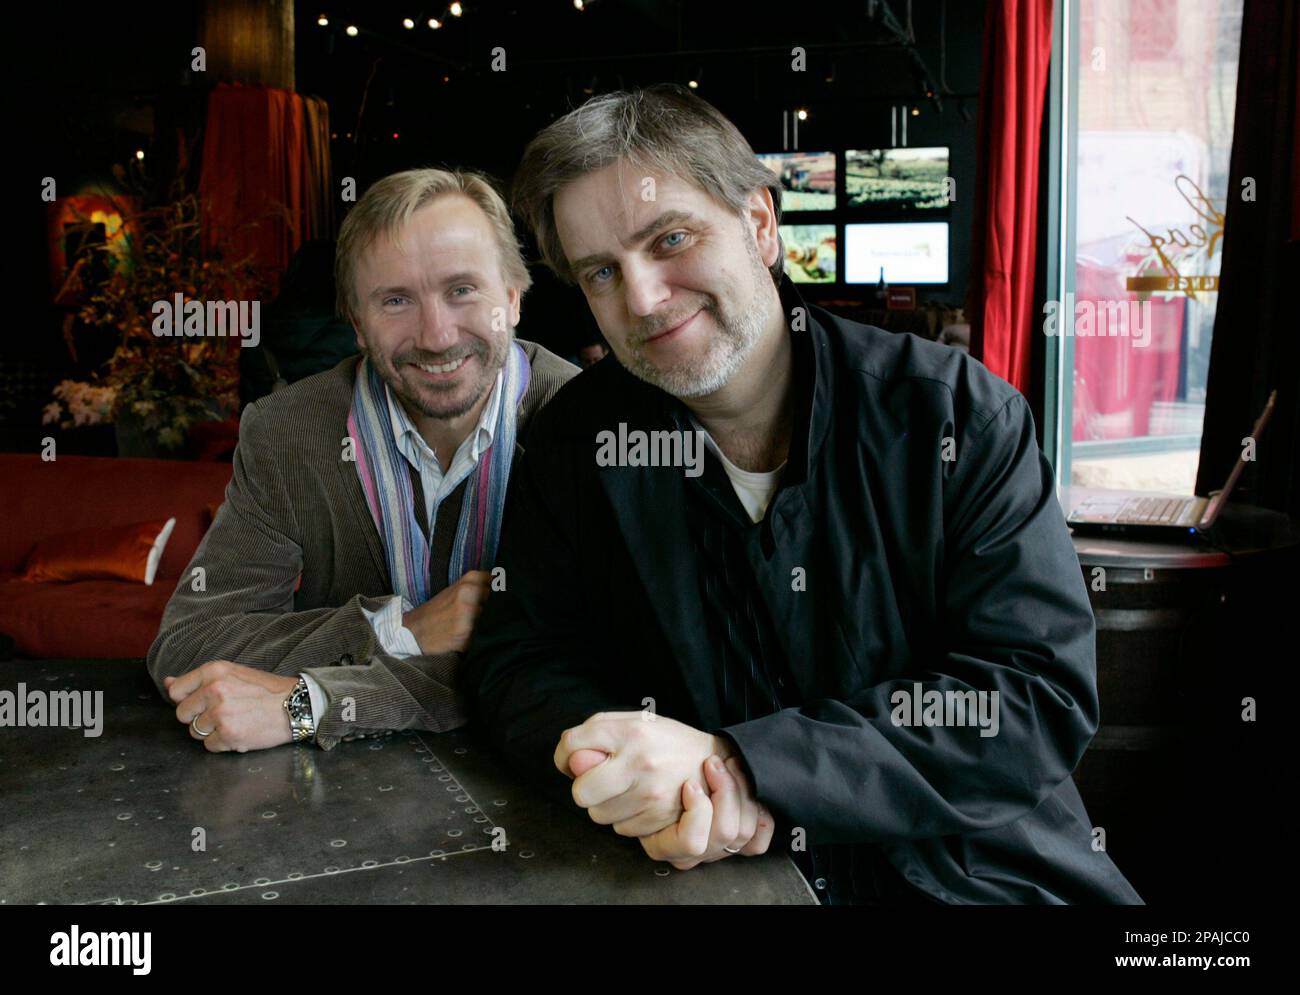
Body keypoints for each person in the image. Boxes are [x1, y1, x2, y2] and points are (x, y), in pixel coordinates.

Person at [464, 85, 1143, 904]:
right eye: (602, 272)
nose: (641, 299)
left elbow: (1030, 697)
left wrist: (750, 768)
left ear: (760, 224)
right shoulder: (577, 441)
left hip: (974, 878)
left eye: (671, 238)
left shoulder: (953, 413)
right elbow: (520, 660)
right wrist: (621, 765)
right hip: (710, 882)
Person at [147, 168, 576, 753]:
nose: (436, 335)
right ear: (355, 324)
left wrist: (313, 703)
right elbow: (190, 641)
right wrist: (399, 629)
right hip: (334, 797)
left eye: (462, 290)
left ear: (512, 298)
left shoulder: (584, 423)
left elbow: (586, 662)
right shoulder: (288, 431)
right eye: (395, 300)